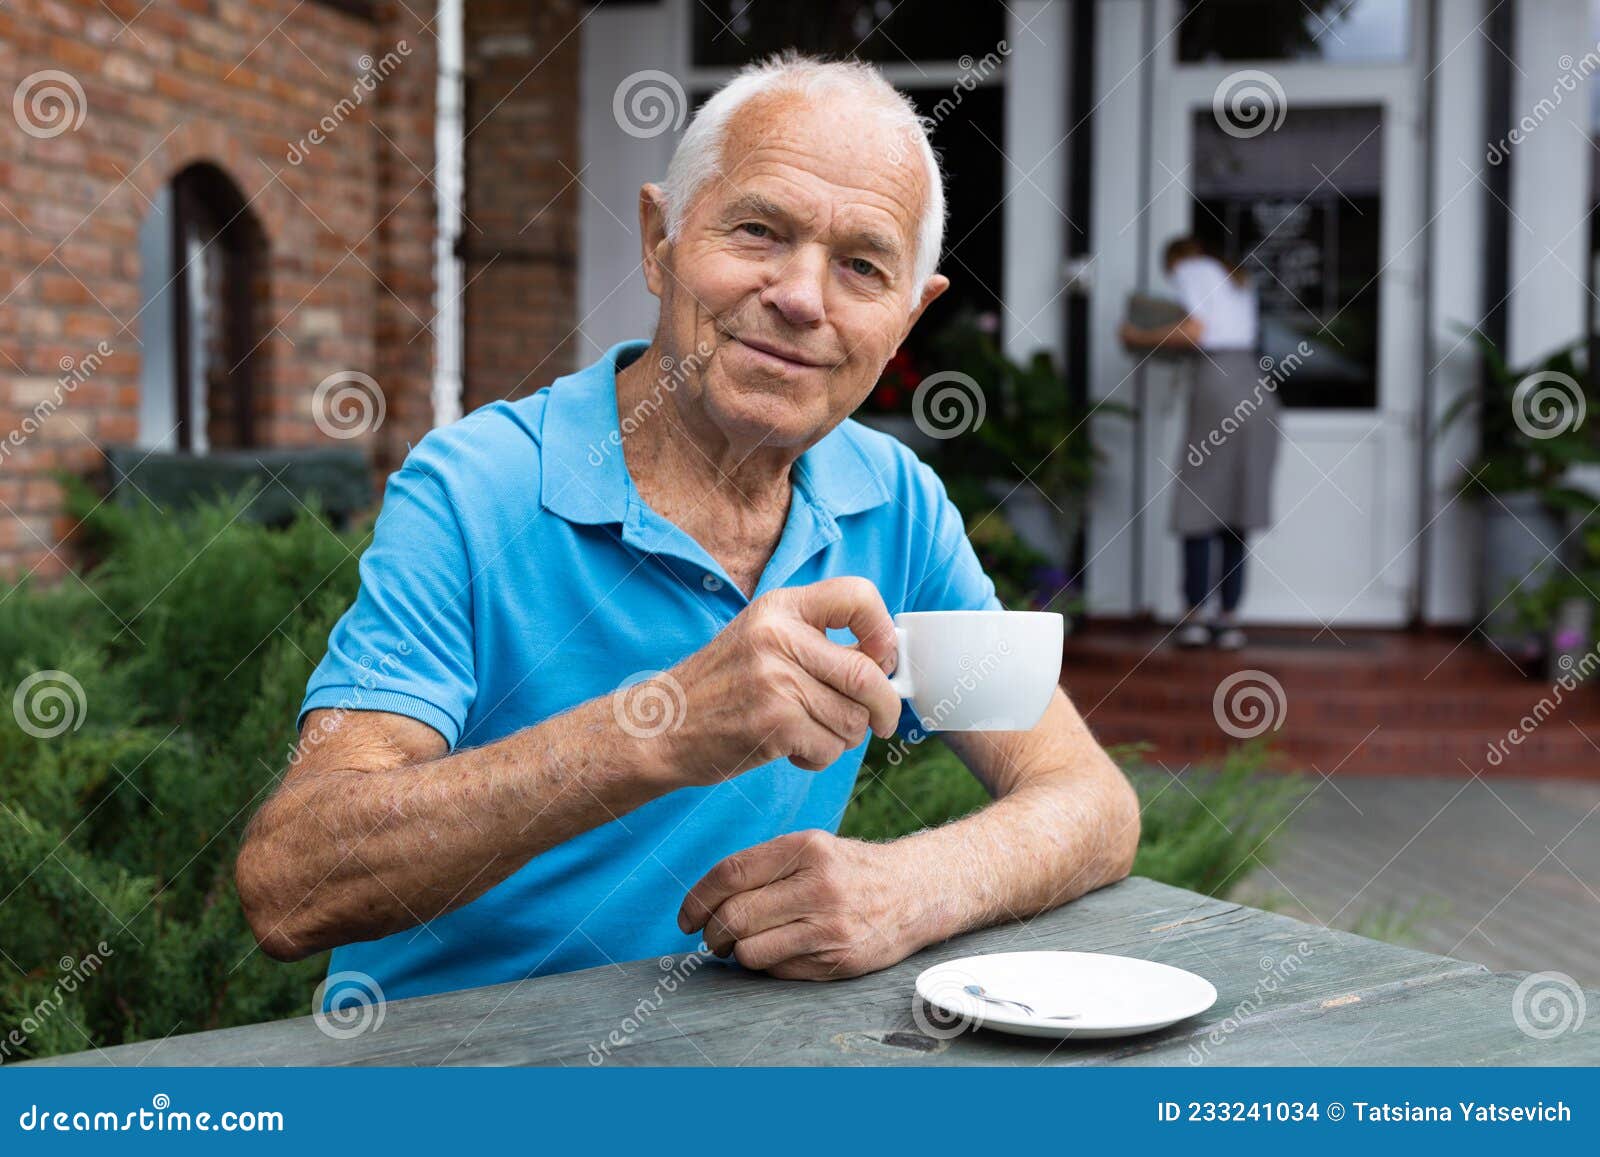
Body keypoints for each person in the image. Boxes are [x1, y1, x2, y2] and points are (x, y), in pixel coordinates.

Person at [234, 55, 1140, 1002]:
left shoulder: (896, 506)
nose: (800, 295)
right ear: (660, 238)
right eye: (758, 229)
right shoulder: (475, 492)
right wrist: (657, 728)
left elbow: (1090, 800)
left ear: (908, 314)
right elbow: (293, 880)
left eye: (862, 266)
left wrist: (911, 887)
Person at [1120, 236, 1279, 650]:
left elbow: (1195, 331)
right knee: (1237, 508)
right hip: (1256, 386)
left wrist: (1138, 336)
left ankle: (1193, 615)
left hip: (1218, 384)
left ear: (1175, 260)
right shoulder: (1234, 277)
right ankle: (1228, 619)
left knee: (1197, 503)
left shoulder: (1191, 271)